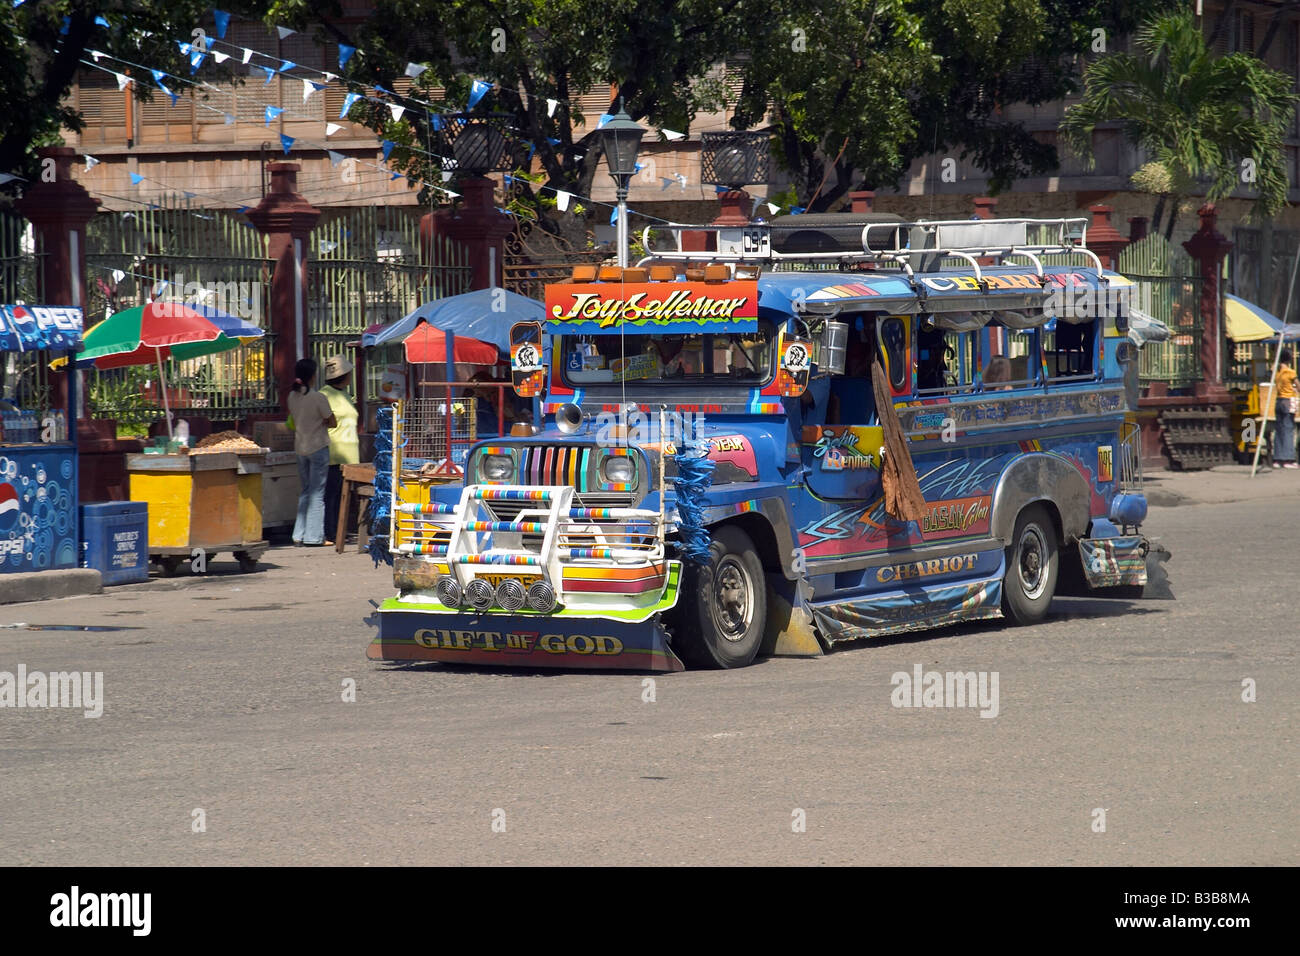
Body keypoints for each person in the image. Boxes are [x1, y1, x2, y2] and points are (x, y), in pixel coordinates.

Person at [286, 357, 337, 546]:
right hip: (318, 447)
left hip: (300, 448)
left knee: (306, 491)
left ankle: (298, 535)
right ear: (313, 375)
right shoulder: (318, 397)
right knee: (317, 493)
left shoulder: (292, 397)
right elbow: (332, 421)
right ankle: (314, 537)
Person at [319, 355, 360, 544]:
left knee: (346, 496)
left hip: (351, 453)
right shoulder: (325, 394)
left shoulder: (346, 395)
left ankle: (341, 531)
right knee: (332, 494)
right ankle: (330, 532)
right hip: (334, 452)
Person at [1273, 348, 1298, 469]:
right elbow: (1298, 386)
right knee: (1288, 429)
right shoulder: (1290, 372)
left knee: (1279, 430)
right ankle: (1288, 458)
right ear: (1289, 359)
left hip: (1279, 401)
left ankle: (1278, 458)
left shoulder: (1277, 373)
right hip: (1288, 401)